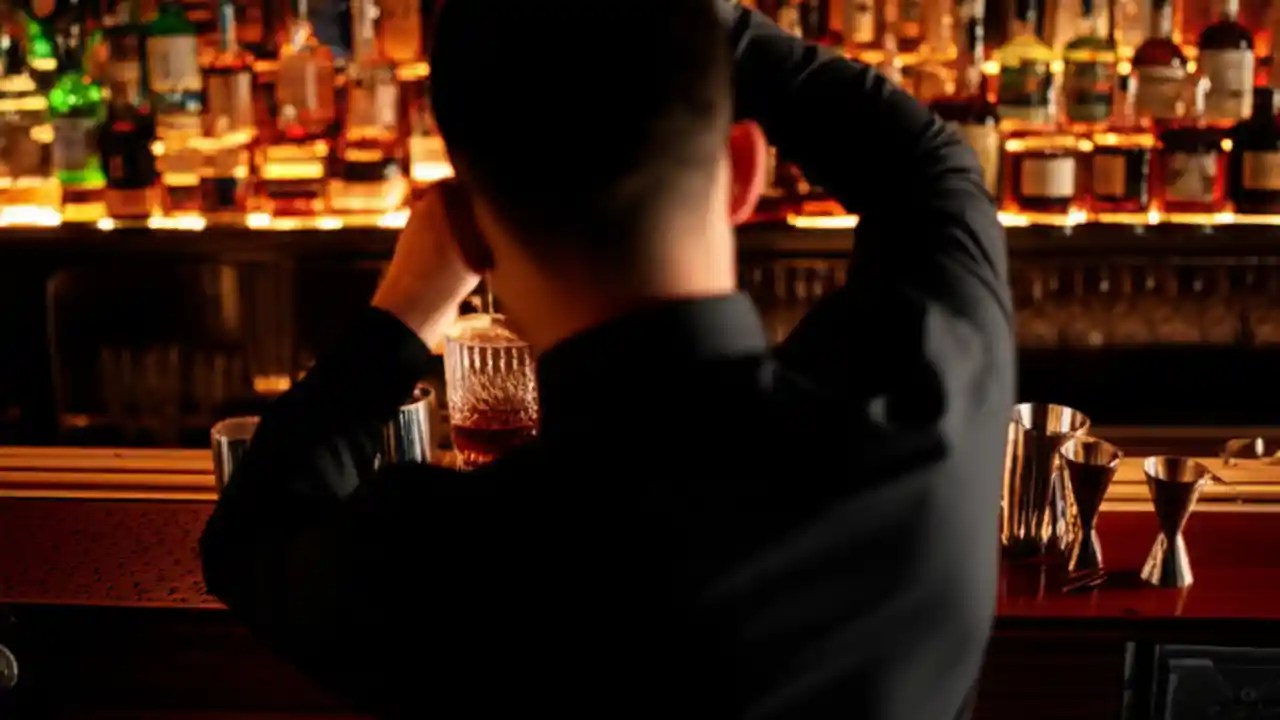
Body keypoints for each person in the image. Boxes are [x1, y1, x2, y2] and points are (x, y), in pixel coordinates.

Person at [200, 1, 1014, 718]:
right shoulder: (934, 385)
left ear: (472, 233)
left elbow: (252, 532)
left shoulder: (444, 563)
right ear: (743, 169)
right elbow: (927, 163)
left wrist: (398, 320)